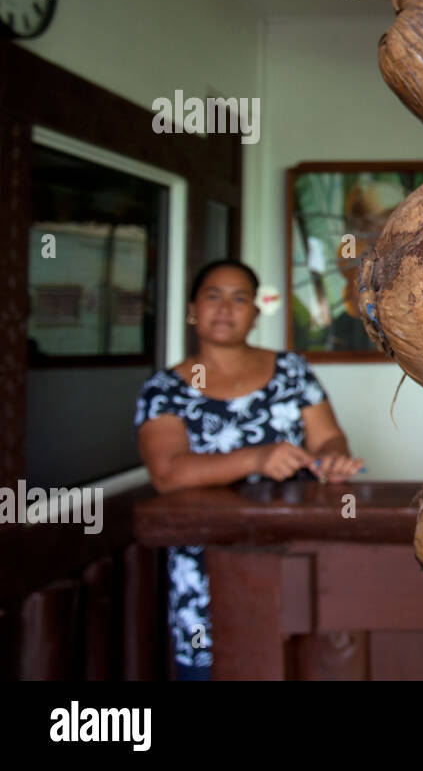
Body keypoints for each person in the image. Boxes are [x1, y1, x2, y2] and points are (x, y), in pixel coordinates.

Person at [134, 259, 364, 680]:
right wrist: (256, 458)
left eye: (240, 299)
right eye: (213, 296)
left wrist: (331, 458)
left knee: (302, 660)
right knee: (215, 668)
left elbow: (328, 437)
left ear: (255, 314)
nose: (226, 308)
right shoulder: (165, 390)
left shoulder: (291, 371)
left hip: (296, 551)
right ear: (192, 310)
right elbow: (167, 473)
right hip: (205, 565)